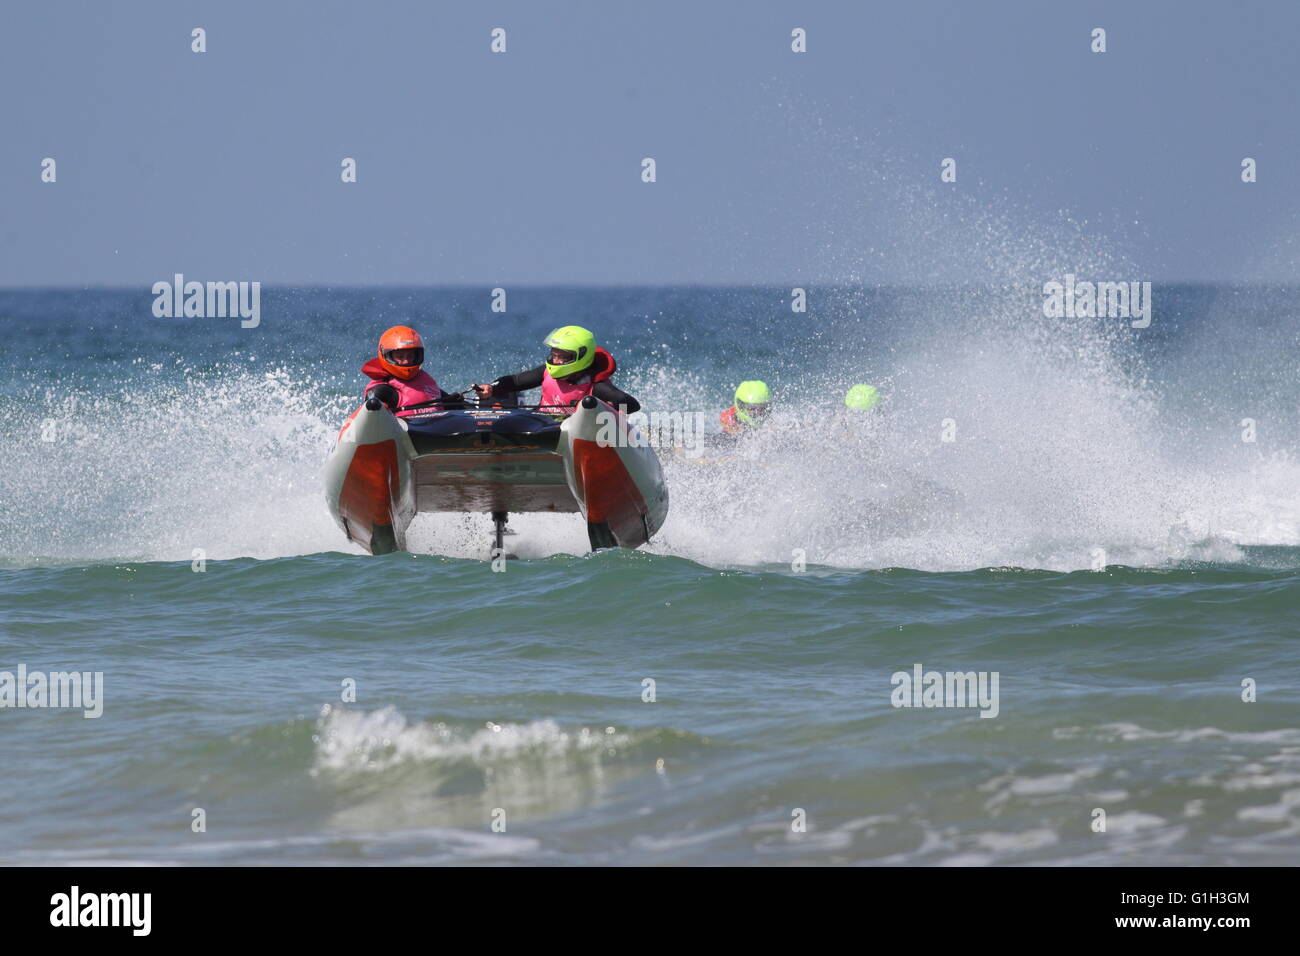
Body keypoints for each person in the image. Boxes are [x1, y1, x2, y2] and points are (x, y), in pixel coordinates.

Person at [472, 325, 640, 414]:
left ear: (581, 357)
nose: (556, 361)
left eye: (563, 357)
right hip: (539, 427)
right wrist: (492, 388)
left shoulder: (594, 387)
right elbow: (516, 381)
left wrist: (608, 408)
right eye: (554, 354)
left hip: (569, 436)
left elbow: (631, 404)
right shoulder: (546, 372)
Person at [361, 326, 458, 416]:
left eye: (410, 356)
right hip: (400, 432)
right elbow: (365, 418)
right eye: (400, 356)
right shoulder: (382, 391)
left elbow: (450, 404)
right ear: (386, 356)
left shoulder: (425, 382)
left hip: (434, 429)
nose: (406, 361)